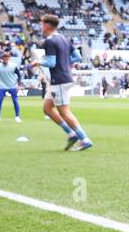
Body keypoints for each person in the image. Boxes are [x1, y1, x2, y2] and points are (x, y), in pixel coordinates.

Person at [36, 14, 93, 151]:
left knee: (64, 112)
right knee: (47, 108)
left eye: (42, 25)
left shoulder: (49, 41)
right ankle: (71, 133)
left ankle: (84, 139)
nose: (41, 27)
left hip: (59, 80)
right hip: (64, 78)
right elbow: (78, 57)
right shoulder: (64, 39)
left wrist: (37, 62)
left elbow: (51, 62)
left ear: (48, 26)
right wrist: (66, 63)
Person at [0, 51, 23, 123]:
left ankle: (17, 116)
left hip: (13, 85)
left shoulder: (13, 66)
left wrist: (19, 85)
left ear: (9, 58)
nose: (6, 59)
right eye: (4, 57)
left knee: (15, 101)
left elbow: (19, 75)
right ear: (2, 58)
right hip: (2, 86)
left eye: (7, 57)